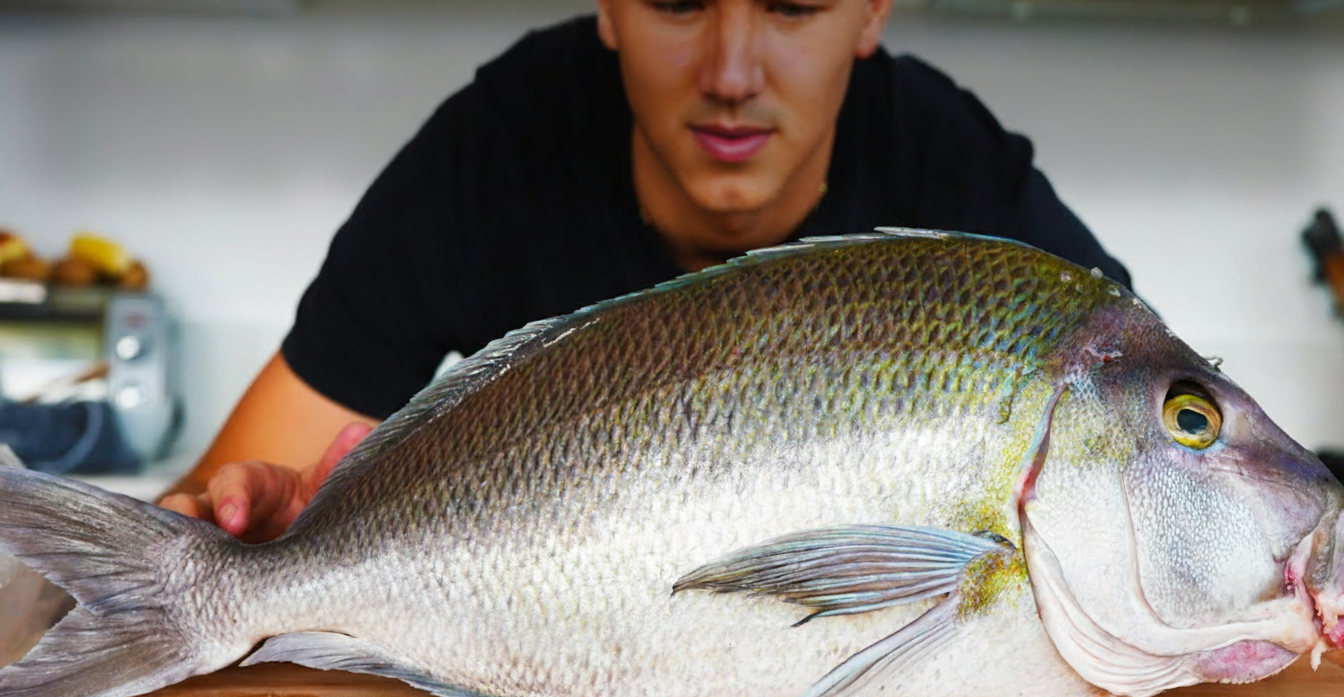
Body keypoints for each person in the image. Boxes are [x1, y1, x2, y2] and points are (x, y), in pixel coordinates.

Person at [159, 0, 1131, 541]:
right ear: (610, 9)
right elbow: (210, 515)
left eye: (794, 6)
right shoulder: (503, 145)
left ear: (872, 10)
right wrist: (249, 523)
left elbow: (1161, 468)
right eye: (676, 1)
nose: (732, 73)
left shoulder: (966, 190)